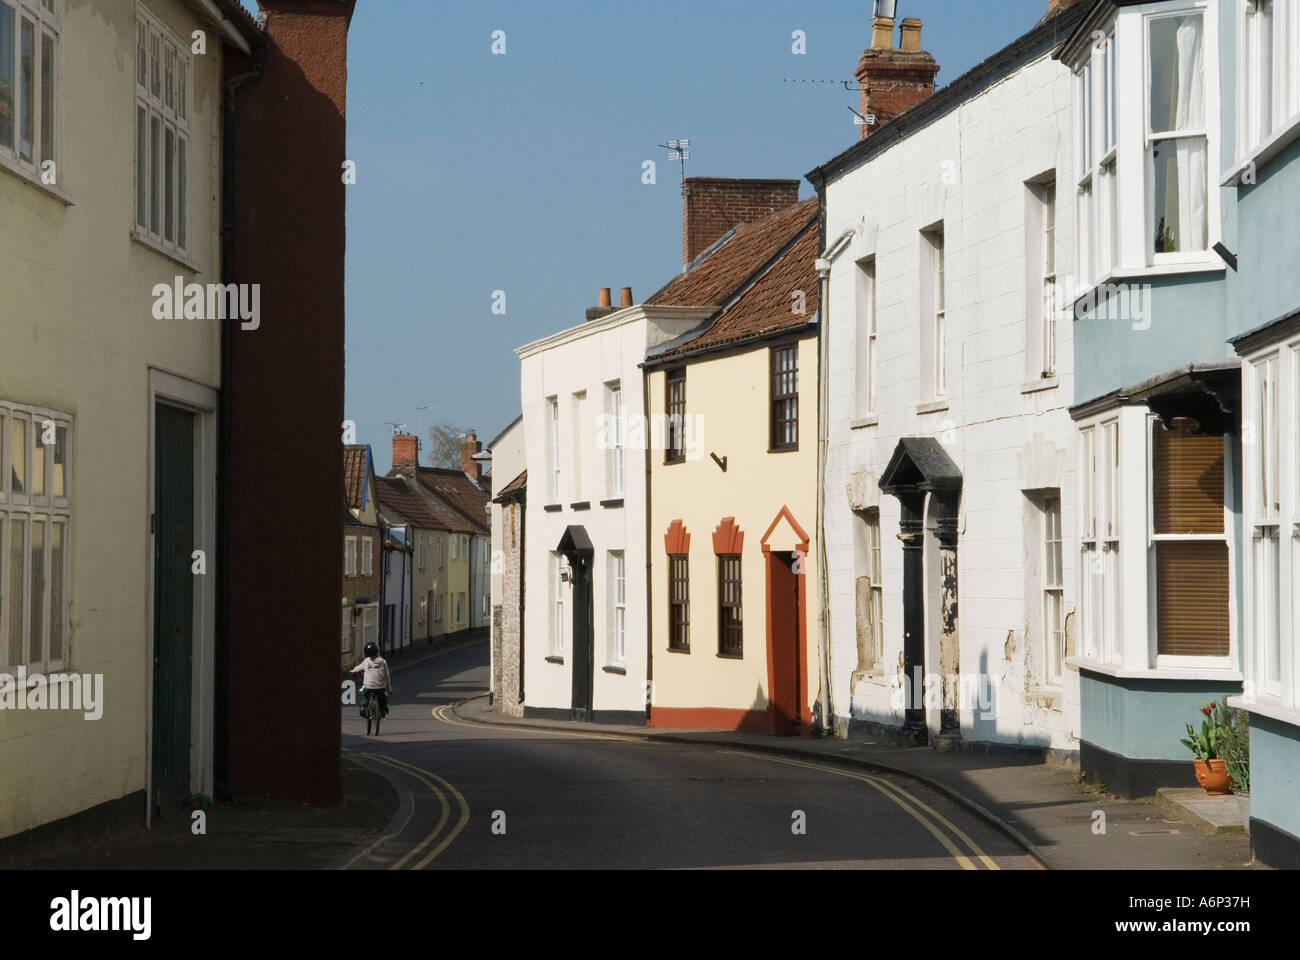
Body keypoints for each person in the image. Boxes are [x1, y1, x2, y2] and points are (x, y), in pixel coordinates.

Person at [351, 642, 393, 720]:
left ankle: (364, 704)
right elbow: (387, 676)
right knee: (384, 696)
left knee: (361, 692)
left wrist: (352, 671)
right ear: (377, 651)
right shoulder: (383, 661)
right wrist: (389, 688)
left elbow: (358, 668)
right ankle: (383, 711)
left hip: (368, 687)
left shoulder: (366, 661)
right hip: (381, 687)